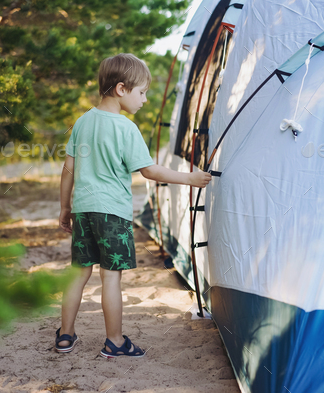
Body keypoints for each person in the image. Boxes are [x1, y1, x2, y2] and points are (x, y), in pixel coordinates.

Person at [56, 53, 212, 357]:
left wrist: (64, 208)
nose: (144, 99)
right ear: (121, 89)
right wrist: (189, 178)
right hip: (112, 213)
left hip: (83, 209)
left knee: (78, 273)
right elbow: (149, 171)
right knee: (110, 277)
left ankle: (65, 335)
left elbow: (68, 170)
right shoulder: (126, 129)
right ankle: (114, 341)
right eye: (141, 92)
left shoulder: (82, 122)